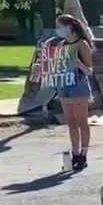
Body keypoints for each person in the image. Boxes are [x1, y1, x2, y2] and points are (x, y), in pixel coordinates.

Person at [42, 14, 94, 171]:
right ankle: (75, 153)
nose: (58, 30)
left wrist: (79, 64)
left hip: (78, 87)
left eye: (60, 26)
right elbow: (57, 67)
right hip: (64, 88)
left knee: (82, 122)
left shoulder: (82, 44)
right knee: (71, 124)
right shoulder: (61, 45)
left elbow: (90, 71)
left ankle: (83, 154)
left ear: (69, 27)